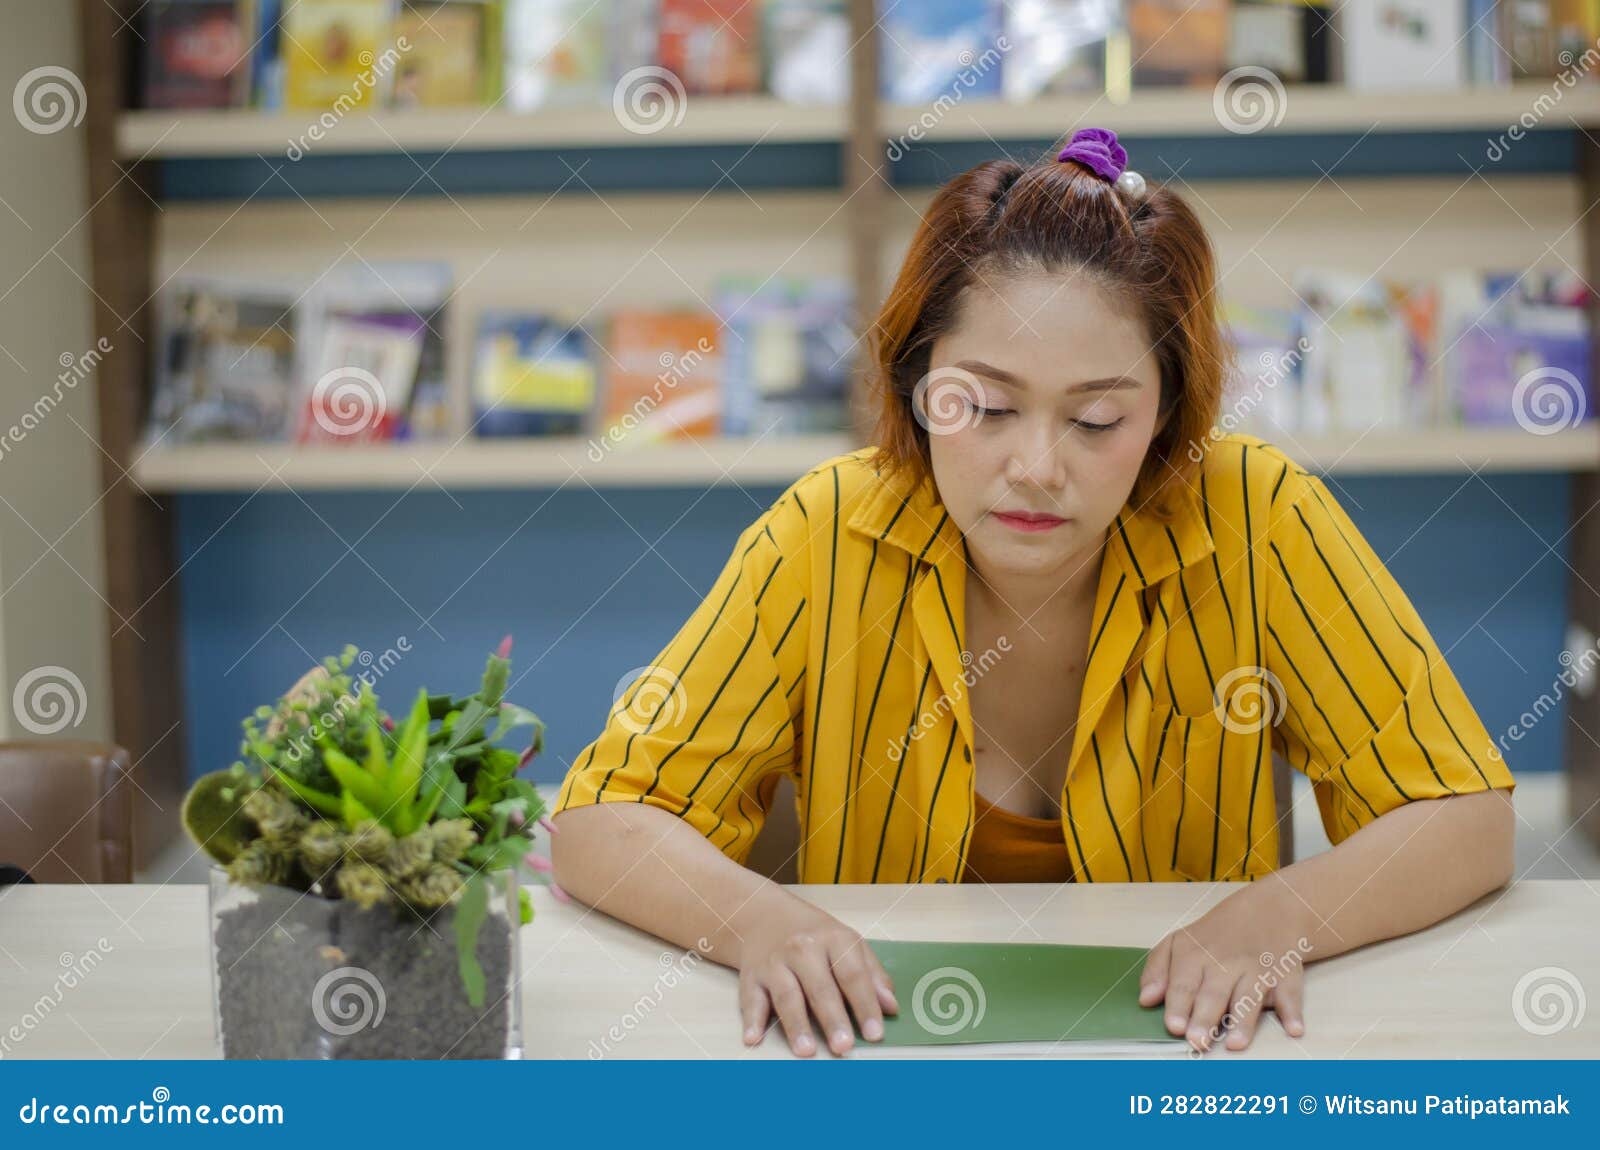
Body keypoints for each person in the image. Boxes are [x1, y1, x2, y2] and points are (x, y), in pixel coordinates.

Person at [550, 127, 1517, 1058]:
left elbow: (1465, 817)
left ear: (1169, 413)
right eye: (987, 405)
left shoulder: (1258, 514)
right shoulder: (824, 533)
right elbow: (602, 823)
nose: (1036, 467)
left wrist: (1283, 915)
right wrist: (761, 923)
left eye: (1097, 419)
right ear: (915, 379)